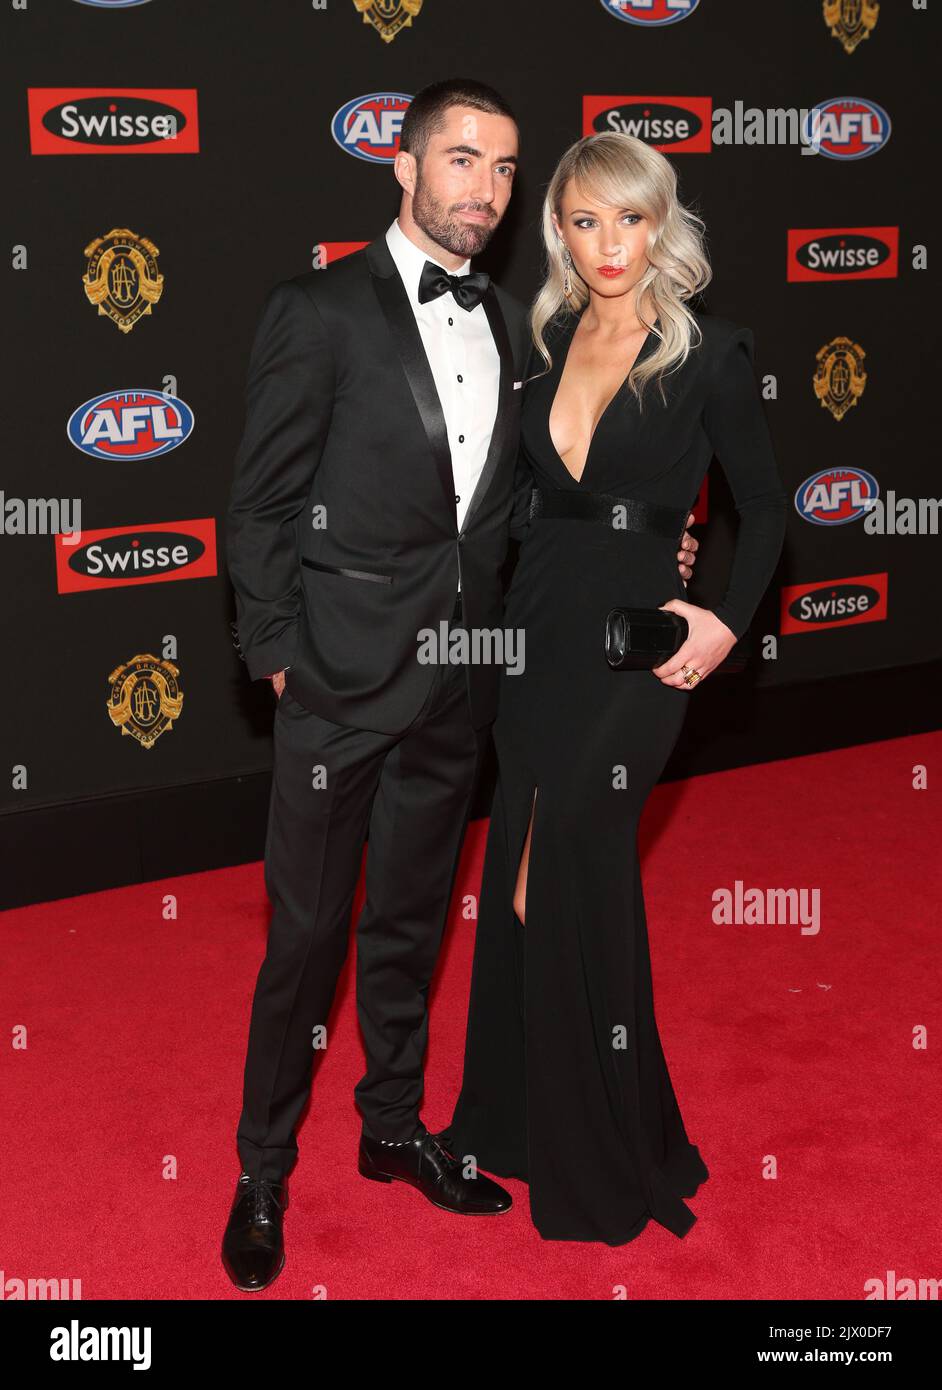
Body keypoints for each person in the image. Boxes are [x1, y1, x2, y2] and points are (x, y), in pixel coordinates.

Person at [222, 76, 705, 1291]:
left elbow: (534, 499)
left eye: (502, 169)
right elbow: (262, 503)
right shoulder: (317, 310)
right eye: (461, 160)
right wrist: (279, 655)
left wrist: (662, 552)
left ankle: (393, 1128)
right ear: (404, 164)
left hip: (460, 686)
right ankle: (262, 1169)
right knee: (307, 939)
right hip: (335, 682)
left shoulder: (512, 324)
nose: (483, 189)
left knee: (410, 926)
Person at [439, 131, 788, 1246]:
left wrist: (722, 618)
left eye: (628, 219)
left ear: (661, 222)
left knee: (567, 872)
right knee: (520, 888)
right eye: (584, 222)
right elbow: (530, 508)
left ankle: (607, 1155)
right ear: (559, 231)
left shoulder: (710, 351)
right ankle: (518, 1128)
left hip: (640, 653)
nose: (608, 244)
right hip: (538, 637)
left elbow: (768, 507)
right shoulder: (538, 342)